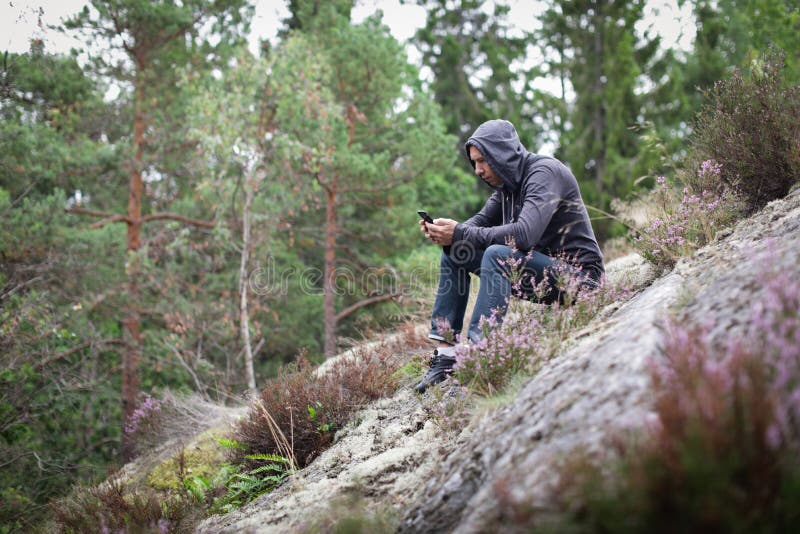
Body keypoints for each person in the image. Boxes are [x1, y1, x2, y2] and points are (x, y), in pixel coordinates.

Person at [414, 119, 604, 393]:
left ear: (501, 154)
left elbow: (525, 234)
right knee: (457, 250)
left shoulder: (544, 173)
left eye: (482, 161)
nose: (478, 170)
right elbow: (475, 225)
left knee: (496, 254)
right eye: (474, 163)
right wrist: (445, 232)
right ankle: (446, 357)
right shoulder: (506, 189)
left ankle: (482, 357)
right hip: (543, 277)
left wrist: (460, 232)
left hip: (581, 280)